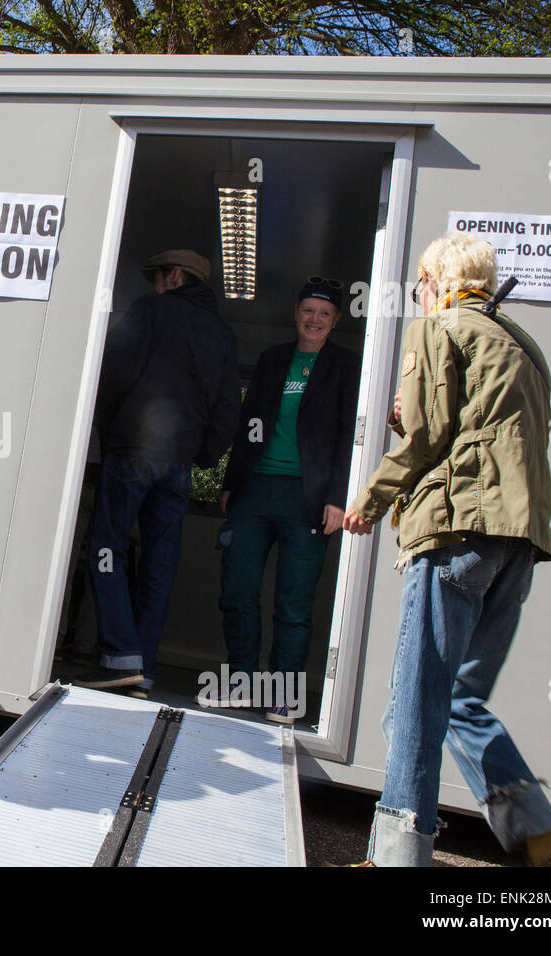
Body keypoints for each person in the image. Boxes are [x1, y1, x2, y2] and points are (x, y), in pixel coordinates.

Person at [343, 232, 551, 867]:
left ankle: (397, 857)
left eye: (424, 283)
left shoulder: (442, 326)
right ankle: (540, 834)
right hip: (519, 543)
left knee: (418, 704)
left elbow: (429, 435)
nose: (421, 294)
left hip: (457, 533)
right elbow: (483, 429)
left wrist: (368, 502)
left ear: (437, 280)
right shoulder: (523, 345)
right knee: (453, 700)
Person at [77, 249, 239, 696]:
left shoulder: (150, 310)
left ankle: (120, 655)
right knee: (160, 563)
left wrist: (106, 431)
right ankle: (143, 668)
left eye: (157, 277)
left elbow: (113, 372)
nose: (153, 286)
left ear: (173, 276)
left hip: (132, 451)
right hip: (179, 466)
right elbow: (229, 407)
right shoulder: (223, 335)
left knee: (105, 548)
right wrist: (201, 454)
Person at [209, 277, 359, 723]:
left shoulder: (347, 366)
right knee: (237, 590)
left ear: (335, 322)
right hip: (256, 490)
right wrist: (231, 484)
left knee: (293, 603)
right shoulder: (274, 360)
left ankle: (283, 696)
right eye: (308, 310)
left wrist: (338, 496)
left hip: (308, 498)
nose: (315, 320)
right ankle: (239, 684)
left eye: (325, 314)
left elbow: (350, 434)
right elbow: (248, 422)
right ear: (297, 312)